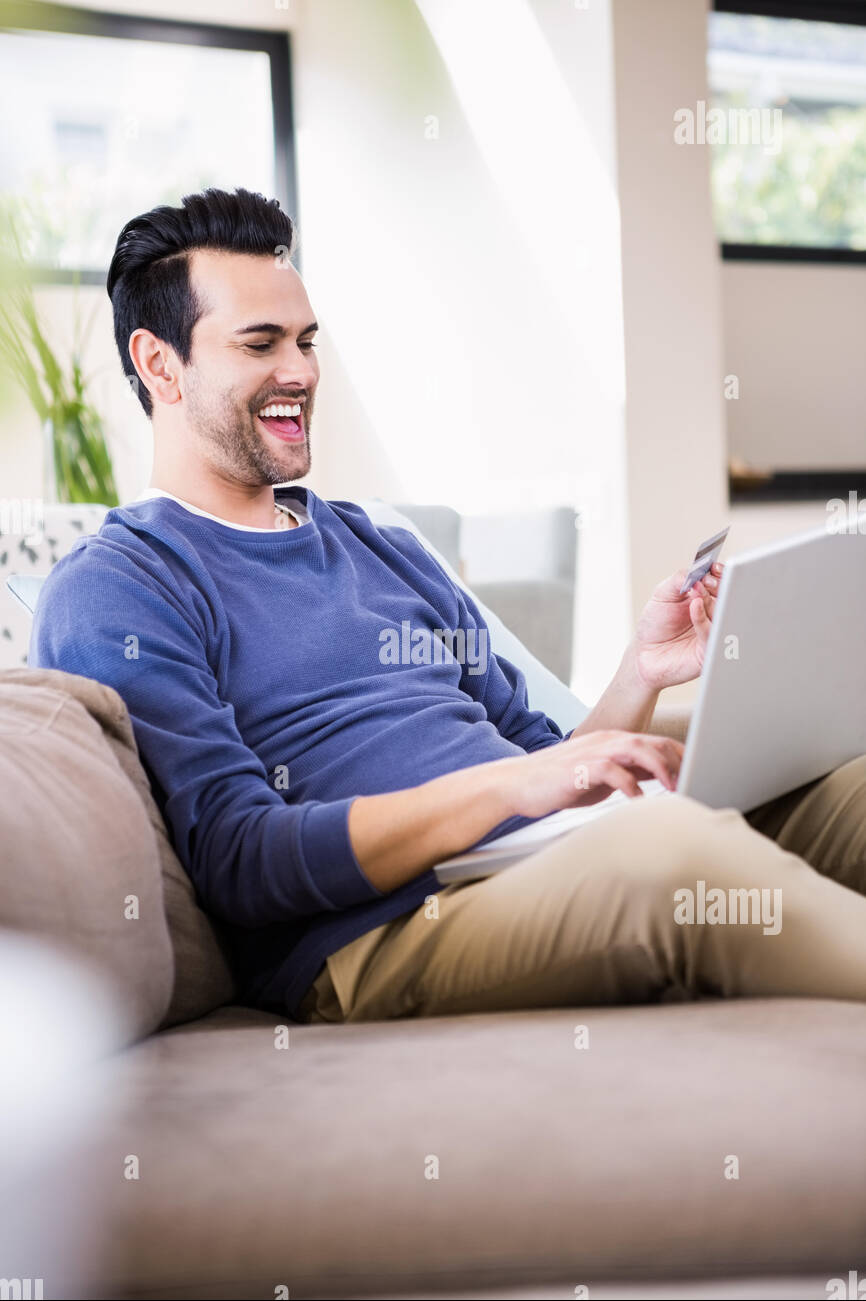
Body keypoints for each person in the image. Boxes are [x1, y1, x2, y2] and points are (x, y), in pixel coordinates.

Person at [30, 188, 866, 1026]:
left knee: (847, 791)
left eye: (307, 341)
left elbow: (548, 757)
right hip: (382, 930)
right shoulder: (120, 583)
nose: (302, 372)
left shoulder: (375, 540)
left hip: (536, 854)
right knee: (681, 855)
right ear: (158, 363)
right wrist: (508, 789)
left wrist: (641, 671)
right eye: (262, 343)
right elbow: (242, 857)